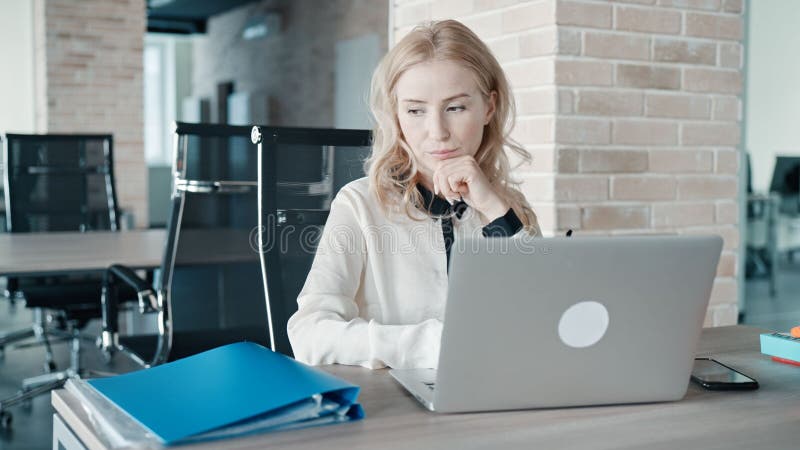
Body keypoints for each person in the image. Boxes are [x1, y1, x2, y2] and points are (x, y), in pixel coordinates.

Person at [287, 19, 540, 369]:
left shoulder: (508, 208)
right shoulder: (359, 205)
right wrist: (435, 344)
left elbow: (541, 317)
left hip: (499, 395)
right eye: (416, 110)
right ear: (396, 115)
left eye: (455, 108)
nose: (437, 132)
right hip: (397, 408)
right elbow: (309, 334)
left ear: (489, 108)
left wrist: (494, 209)